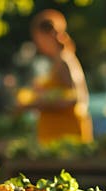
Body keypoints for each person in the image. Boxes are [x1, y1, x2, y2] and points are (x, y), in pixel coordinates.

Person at [19, 9, 93, 145]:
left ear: (48, 35)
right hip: (55, 134)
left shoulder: (65, 60)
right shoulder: (56, 62)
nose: (37, 43)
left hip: (67, 135)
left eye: (37, 38)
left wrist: (38, 103)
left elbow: (76, 97)